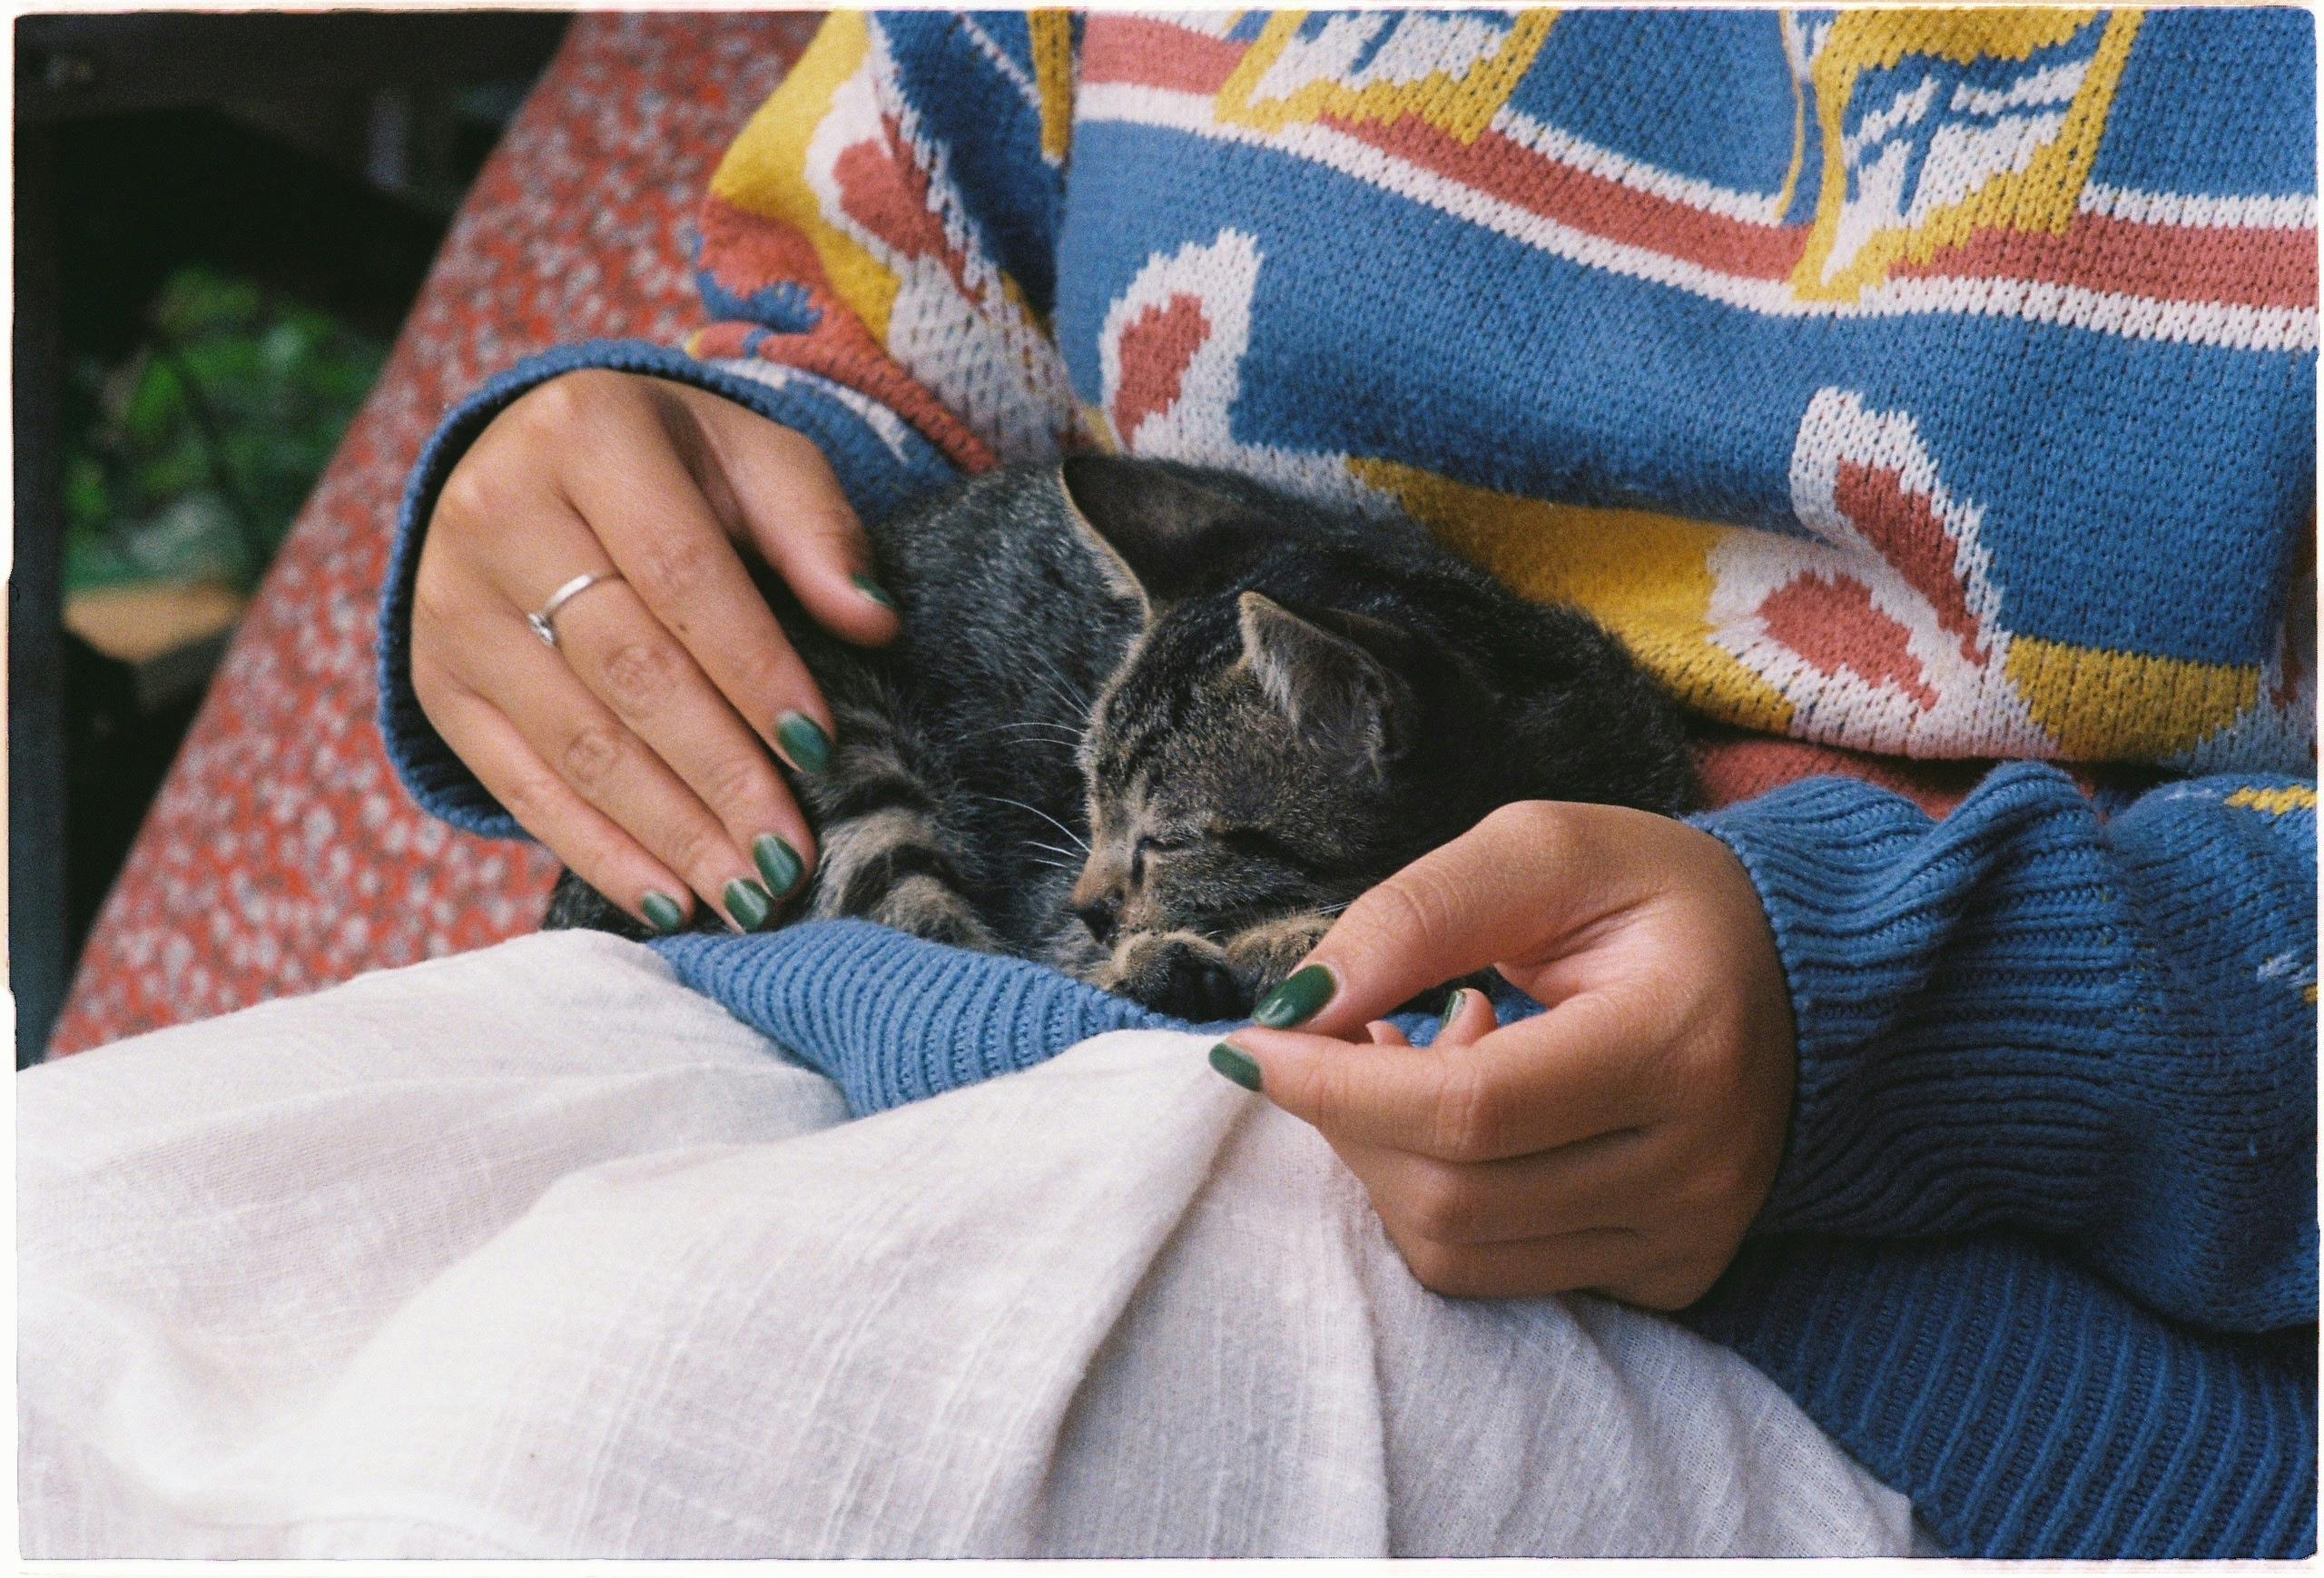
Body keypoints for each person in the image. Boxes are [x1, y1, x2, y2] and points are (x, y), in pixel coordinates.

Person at [21, 8, 2316, 1558]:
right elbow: (856, 365)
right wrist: (637, 530)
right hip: (905, 987)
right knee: (66, 1299)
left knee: (619, 1447)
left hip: (1888, 1254)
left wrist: (1915, 1000)